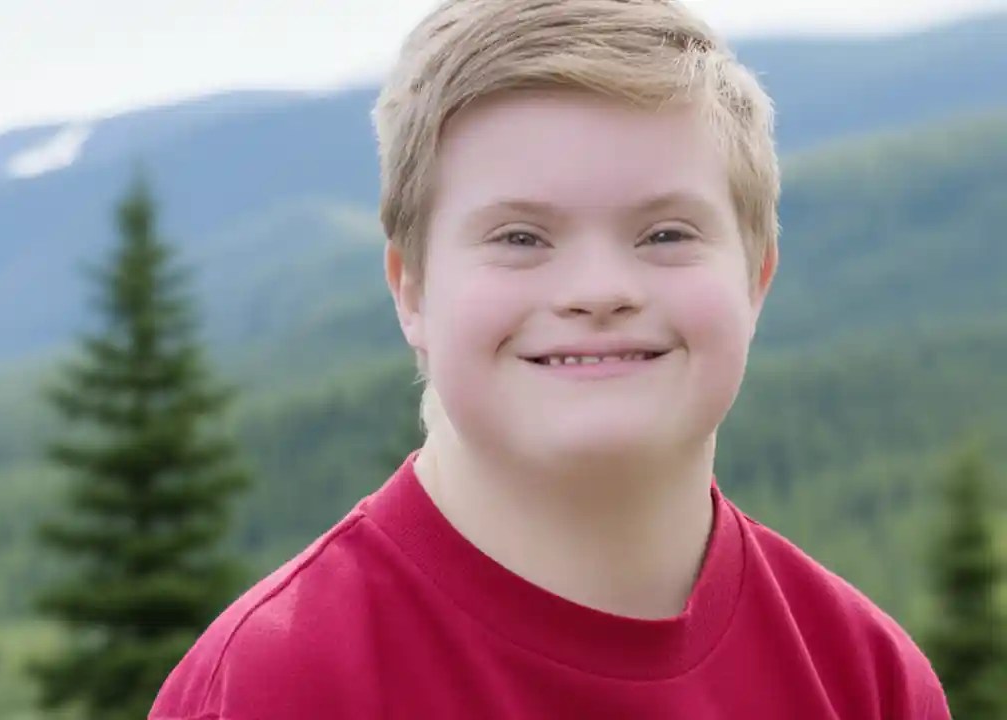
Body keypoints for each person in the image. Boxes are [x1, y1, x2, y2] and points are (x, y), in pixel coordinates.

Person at [149, 0, 951, 717]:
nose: (598, 290)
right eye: (521, 238)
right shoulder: (279, 682)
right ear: (413, 291)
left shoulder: (863, 678)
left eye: (665, 234)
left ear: (757, 278)